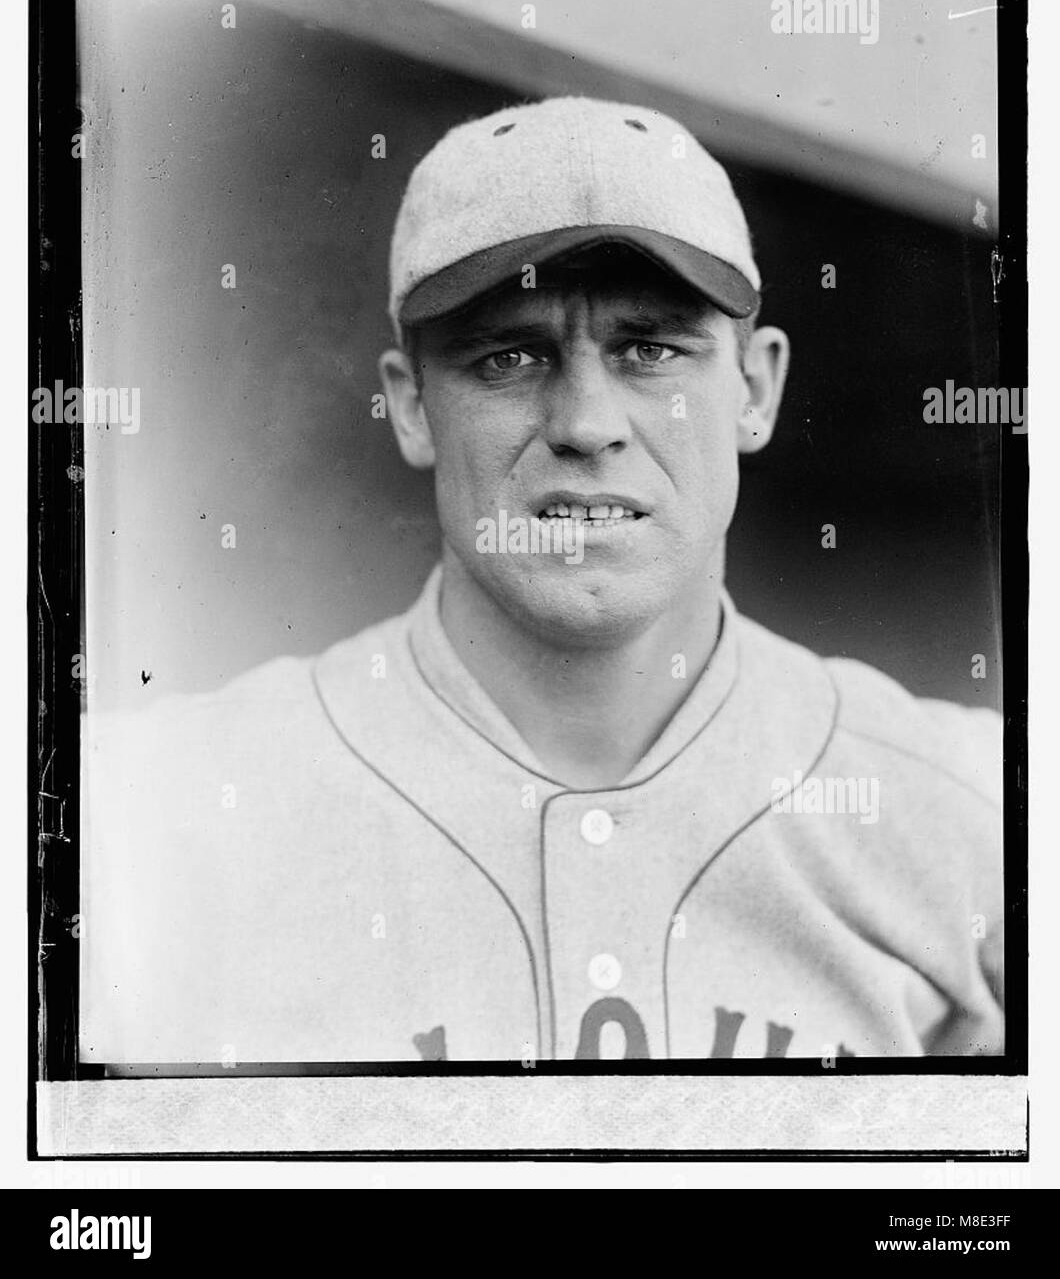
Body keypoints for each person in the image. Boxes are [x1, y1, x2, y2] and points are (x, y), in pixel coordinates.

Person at [82, 97, 1003, 1064]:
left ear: (755, 389)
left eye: (651, 349)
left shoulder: (976, 814)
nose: (585, 422)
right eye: (509, 356)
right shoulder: (151, 818)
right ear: (410, 407)